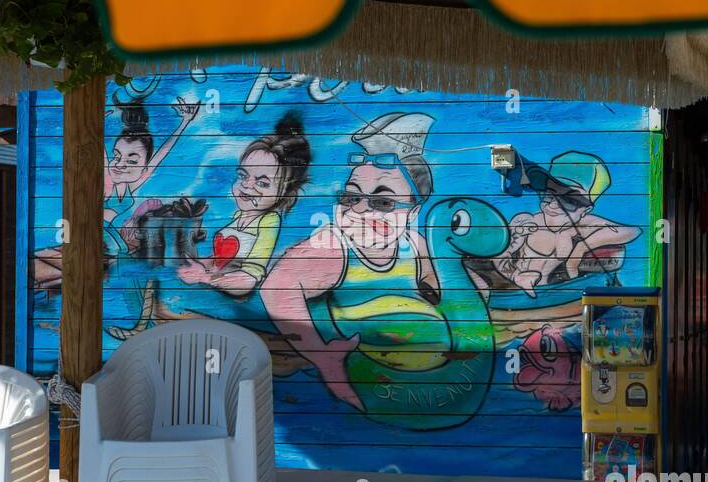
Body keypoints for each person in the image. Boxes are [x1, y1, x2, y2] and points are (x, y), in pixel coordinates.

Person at [260, 113, 443, 410]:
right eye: (350, 198)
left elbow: (439, 289)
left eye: (381, 202)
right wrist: (323, 358)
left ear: (411, 213)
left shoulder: (414, 244)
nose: (358, 210)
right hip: (361, 377)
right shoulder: (333, 248)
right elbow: (277, 288)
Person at [33, 84, 197, 289]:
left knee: (46, 275)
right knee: (38, 270)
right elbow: (100, 151)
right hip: (85, 247)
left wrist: (183, 124)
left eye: (132, 161)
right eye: (117, 157)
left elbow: (159, 157)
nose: (120, 165)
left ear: (144, 167)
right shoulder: (108, 183)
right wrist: (96, 125)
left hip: (104, 253)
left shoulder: (130, 184)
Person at [177, 113, 311, 297]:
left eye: (262, 183)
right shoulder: (239, 216)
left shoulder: (269, 221)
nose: (247, 185)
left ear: (285, 192)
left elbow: (249, 279)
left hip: (235, 303)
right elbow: (219, 261)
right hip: (217, 293)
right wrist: (198, 266)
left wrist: (205, 278)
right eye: (242, 176)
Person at [494, 151, 641, 296]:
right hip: (517, 298)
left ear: (585, 209)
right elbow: (499, 255)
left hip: (559, 297)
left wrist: (581, 248)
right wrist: (515, 277)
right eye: (548, 194)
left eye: (568, 200)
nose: (552, 205)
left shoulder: (580, 225)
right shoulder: (527, 222)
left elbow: (632, 231)